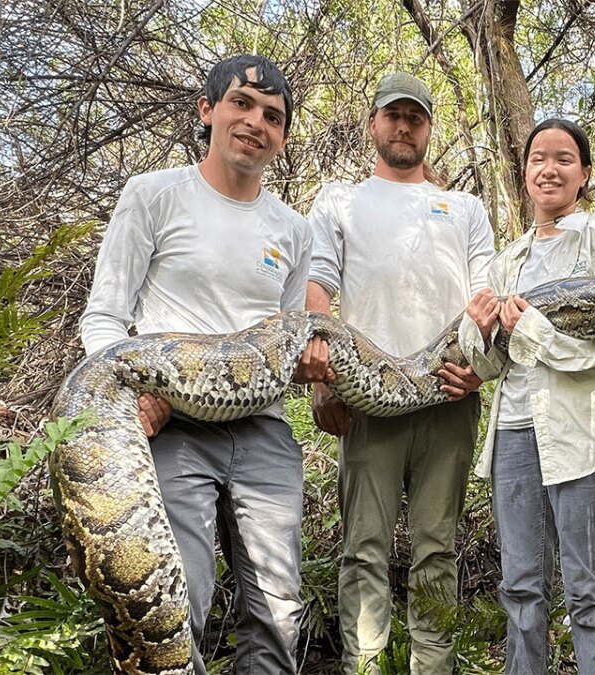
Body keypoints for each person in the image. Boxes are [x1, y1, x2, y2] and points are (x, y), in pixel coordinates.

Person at [79, 55, 329, 673]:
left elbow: (288, 336)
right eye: (240, 104)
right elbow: (105, 316)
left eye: (272, 115)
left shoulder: (293, 230)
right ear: (207, 111)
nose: (254, 122)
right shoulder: (154, 195)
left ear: (283, 137)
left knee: (277, 612)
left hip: (264, 431)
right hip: (174, 427)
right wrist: (128, 399)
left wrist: (312, 361)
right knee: (176, 600)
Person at [306, 72, 495, 675]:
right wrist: (320, 381)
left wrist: (481, 374)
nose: (404, 125)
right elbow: (317, 289)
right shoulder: (339, 200)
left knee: (437, 549)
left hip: (448, 396)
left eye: (415, 116)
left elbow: (488, 300)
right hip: (369, 403)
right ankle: (365, 663)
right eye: (393, 114)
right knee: (364, 548)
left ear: (429, 129)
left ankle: (433, 666)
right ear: (373, 125)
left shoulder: (465, 207)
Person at [461, 119, 595, 674]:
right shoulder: (507, 260)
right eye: (539, 157)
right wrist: (484, 328)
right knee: (520, 588)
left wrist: (529, 331)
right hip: (515, 433)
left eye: (565, 158)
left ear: (584, 174)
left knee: (589, 591)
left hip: (583, 436)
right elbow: (488, 364)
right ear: (524, 174)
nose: (549, 168)